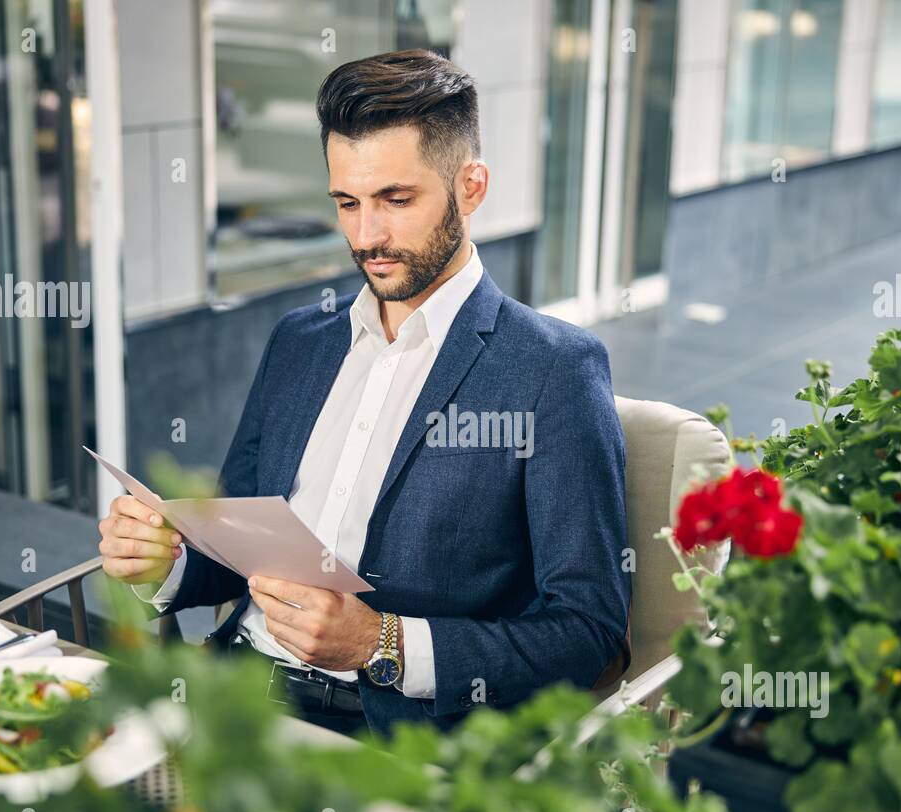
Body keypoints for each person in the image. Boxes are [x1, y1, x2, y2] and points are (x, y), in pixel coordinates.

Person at [98, 50, 630, 736]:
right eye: (347, 203)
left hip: (398, 743)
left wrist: (384, 645)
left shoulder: (554, 371)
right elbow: (233, 554)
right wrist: (166, 562)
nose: (366, 236)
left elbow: (587, 631)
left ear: (471, 187)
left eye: (396, 200)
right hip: (231, 700)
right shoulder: (300, 342)